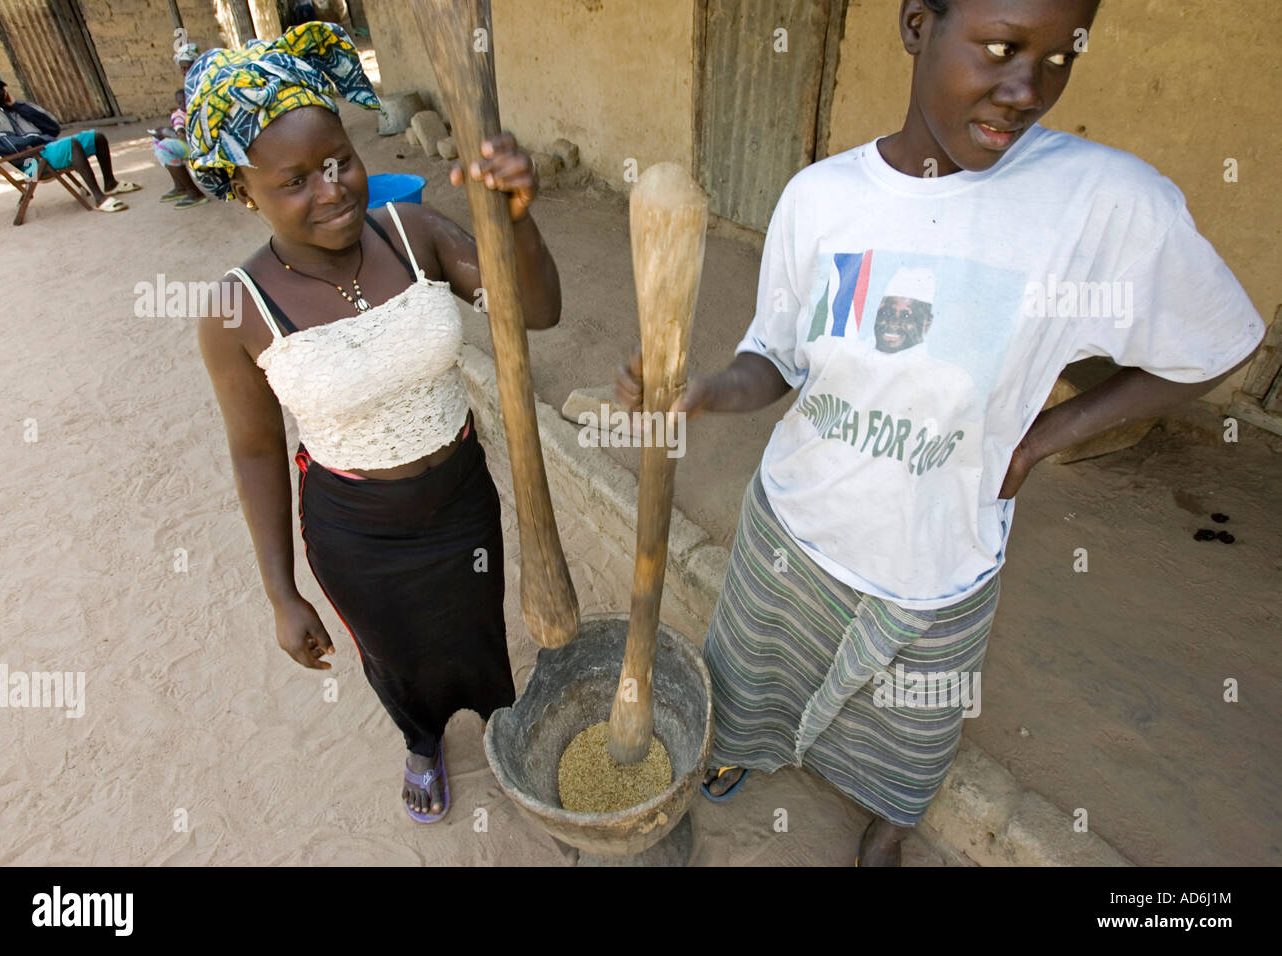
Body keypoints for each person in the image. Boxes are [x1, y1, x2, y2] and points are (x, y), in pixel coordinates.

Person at [616, 0, 1264, 865]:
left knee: (914, 726)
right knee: (753, 673)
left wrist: (1044, 436)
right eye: (998, 49)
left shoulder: (1102, 204)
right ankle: (740, 747)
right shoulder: (824, 198)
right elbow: (776, 356)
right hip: (797, 529)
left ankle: (889, 821)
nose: (1026, 90)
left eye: (1058, 58)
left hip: (940, 554)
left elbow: (1217, 339)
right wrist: (707, 391)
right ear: (918, 25)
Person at [191, 22, 561, 822]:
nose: (331, 189)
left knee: (476, 624)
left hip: (462, 494)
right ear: (243, 191)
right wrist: (281, 594)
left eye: (338, 160)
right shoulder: (235, 311)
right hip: (357, 528)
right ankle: (421, 742)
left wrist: (517, 221)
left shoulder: (413, 235)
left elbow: (535, 309)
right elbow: (256, 454)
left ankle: (504, 729)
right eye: (294, 181)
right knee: (396, 654)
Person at [0, 69, 139, 212]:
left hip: (43, 151)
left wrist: (17, 105)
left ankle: (110, 184)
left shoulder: (13, 110)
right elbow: (11, 147)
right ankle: (99, 198)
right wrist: (42, 139)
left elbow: (53, 128)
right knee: (72, 145)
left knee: (97, 137)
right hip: (30, 163)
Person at [154, 89, 208, 208]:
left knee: (164, 148)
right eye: (180, 102)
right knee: (157, 141)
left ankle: (194, 193)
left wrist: (169, 132)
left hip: (202, 146)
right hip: (192, 142)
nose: (183, 104)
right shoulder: (178, 114)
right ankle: (180, 186)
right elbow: (179, 128)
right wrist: (170, 132)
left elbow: (182, 135)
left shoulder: (198, 110)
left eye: (185, 101)